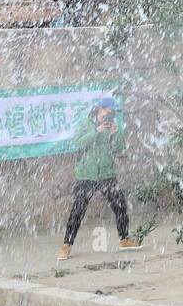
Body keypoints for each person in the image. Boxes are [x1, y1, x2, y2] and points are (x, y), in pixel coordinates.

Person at [57, 97, 142, 261]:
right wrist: (97, 131)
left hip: (106, 173)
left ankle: (124, 239)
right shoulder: (85, 123)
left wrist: (117, 134)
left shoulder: (112, 127)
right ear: (99, 109)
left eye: (111, 114)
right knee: (78, 210)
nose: (108, 116)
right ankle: (66, 245)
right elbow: (79, 143)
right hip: (87, 174)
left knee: (120, 206)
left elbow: (119, 148)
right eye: (107, 112)